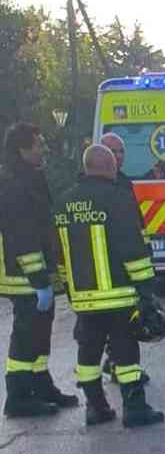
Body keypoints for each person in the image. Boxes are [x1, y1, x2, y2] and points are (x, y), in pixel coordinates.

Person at [55, 144, 164, 427]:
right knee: (125, 350)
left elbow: (58, 253)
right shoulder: (118, 198)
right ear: (109, 168)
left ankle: (95, 407)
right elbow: (132, 247)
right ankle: (135, 408)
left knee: (88, 352)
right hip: (118, 296)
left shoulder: (65, 201)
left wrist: (69, 289)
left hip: (83, 298)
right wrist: (146, 287)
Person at [0, 123, 77, 417]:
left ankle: (41, 385)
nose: (44, 148)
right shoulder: (12, 183)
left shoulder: (31, 177)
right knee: (25, 333)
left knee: (40, 332)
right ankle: (18, 397)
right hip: (22, 276)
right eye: (38, 144)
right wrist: (37, 278)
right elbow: (22, 234)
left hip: (37, 272)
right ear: (22, 149)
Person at [99, 132, 151, 385]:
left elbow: (135, 222)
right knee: (118, 323)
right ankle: (121, 367)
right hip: (107, 264)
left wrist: (145, 251)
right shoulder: (100, 186)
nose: (118, 157)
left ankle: (115, 362)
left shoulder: (123, 182)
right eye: (113, 151)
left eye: (121, 151)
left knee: (125, 319)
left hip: (126, 261)